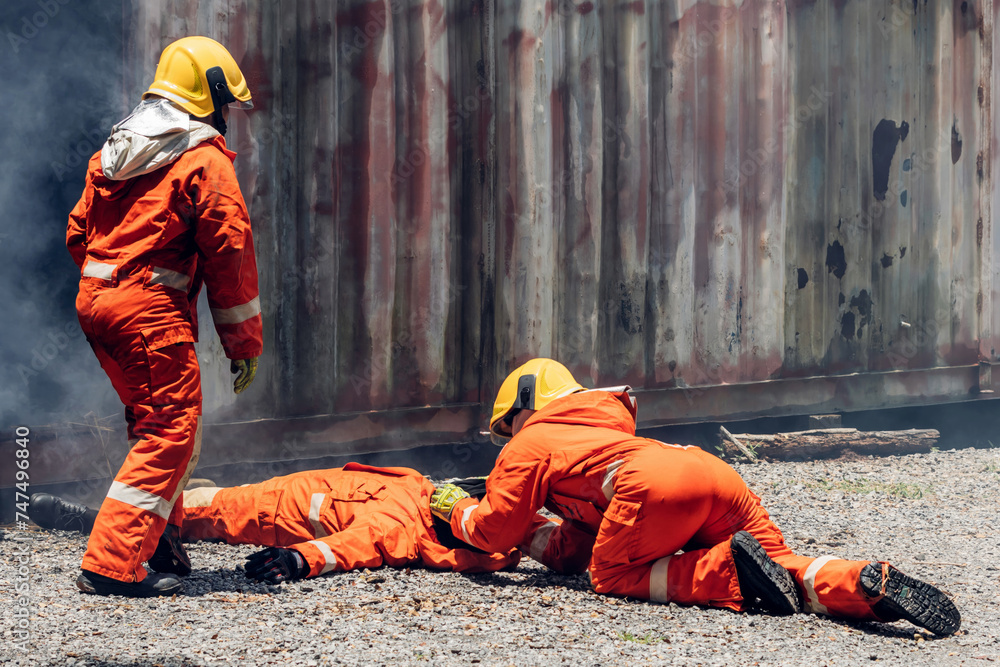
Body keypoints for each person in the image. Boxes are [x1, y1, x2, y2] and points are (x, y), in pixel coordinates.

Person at [429, 358, 962, 636]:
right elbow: (589, 536)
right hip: (707, 472)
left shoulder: (532, 441)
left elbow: (495, 531)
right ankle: (864, 584)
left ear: (525, 407)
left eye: (508, 425)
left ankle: (729, 573)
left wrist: (454, 507)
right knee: (780, 565)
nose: (508, 436)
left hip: (652, 486)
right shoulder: (604, 431)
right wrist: (541, 536)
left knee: (611, 577)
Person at [65, 36, 263, 597]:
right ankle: (111, 564)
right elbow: (229, 250)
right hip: (147, 313)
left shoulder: (111, 153)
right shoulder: (202, 159)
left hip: (97, 304)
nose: (227, 118)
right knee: (171, 429)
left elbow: (78, 234)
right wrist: (243, 344)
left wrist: (114, 286)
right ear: (210, 96)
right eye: (225, 105)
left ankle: (159, 543)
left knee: (151, 420)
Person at [28, 464, 589, 584]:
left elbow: (353, 546)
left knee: (190, 511)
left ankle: (92, 524)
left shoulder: (411, 524)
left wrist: (301, 560)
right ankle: (106, 523)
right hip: (294, 494)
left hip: (275, 508)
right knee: (188, 507)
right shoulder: (432, 500)